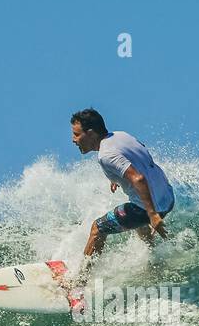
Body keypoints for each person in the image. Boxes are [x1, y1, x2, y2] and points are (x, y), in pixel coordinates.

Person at [69, 108, 175, 284]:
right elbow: (139, 154)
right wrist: (118, 177)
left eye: (76, 134)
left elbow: (139, 179)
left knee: (98, 228)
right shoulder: (120, 135)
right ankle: (154, 256)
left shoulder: (106, 155)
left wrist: (152, 215)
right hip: (167, 196)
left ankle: (79, 282)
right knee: (138, 223)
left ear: (91, 133)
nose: (73, 140)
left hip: (149, 208)